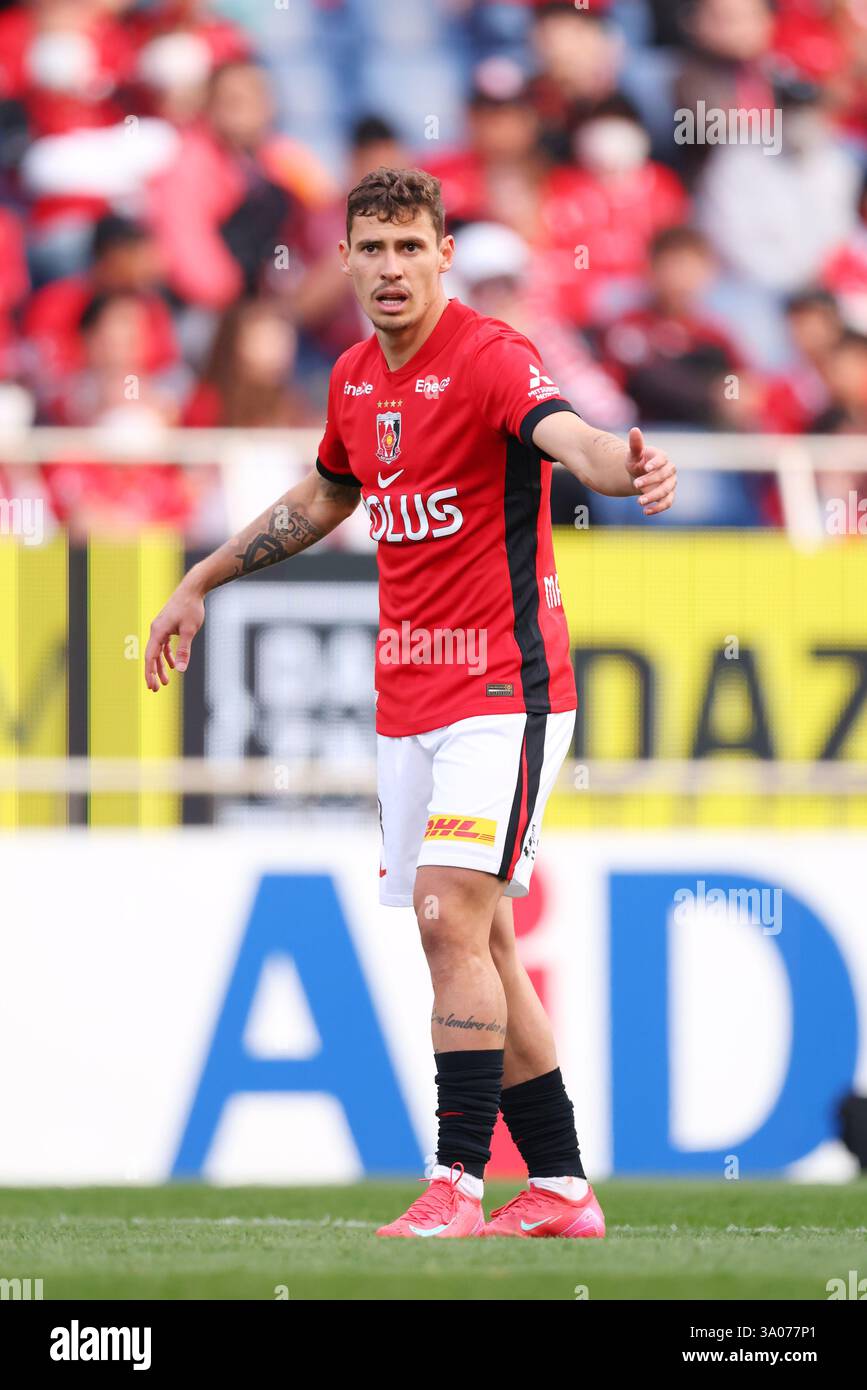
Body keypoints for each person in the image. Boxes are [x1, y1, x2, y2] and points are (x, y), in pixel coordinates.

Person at [144, 168, 677, 1239]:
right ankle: (565, 1188)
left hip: (505, 688)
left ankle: (456, 1184)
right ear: (344, 258)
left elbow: (567, 438)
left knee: (447, 917)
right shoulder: (351, 378)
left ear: (443, 256)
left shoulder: (491, 357)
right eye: (372, 249)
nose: (391, 269)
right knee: (484, 941)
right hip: (410, 695)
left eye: (409, 248)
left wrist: (622, 466)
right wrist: (201, 577)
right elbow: (326, 493)